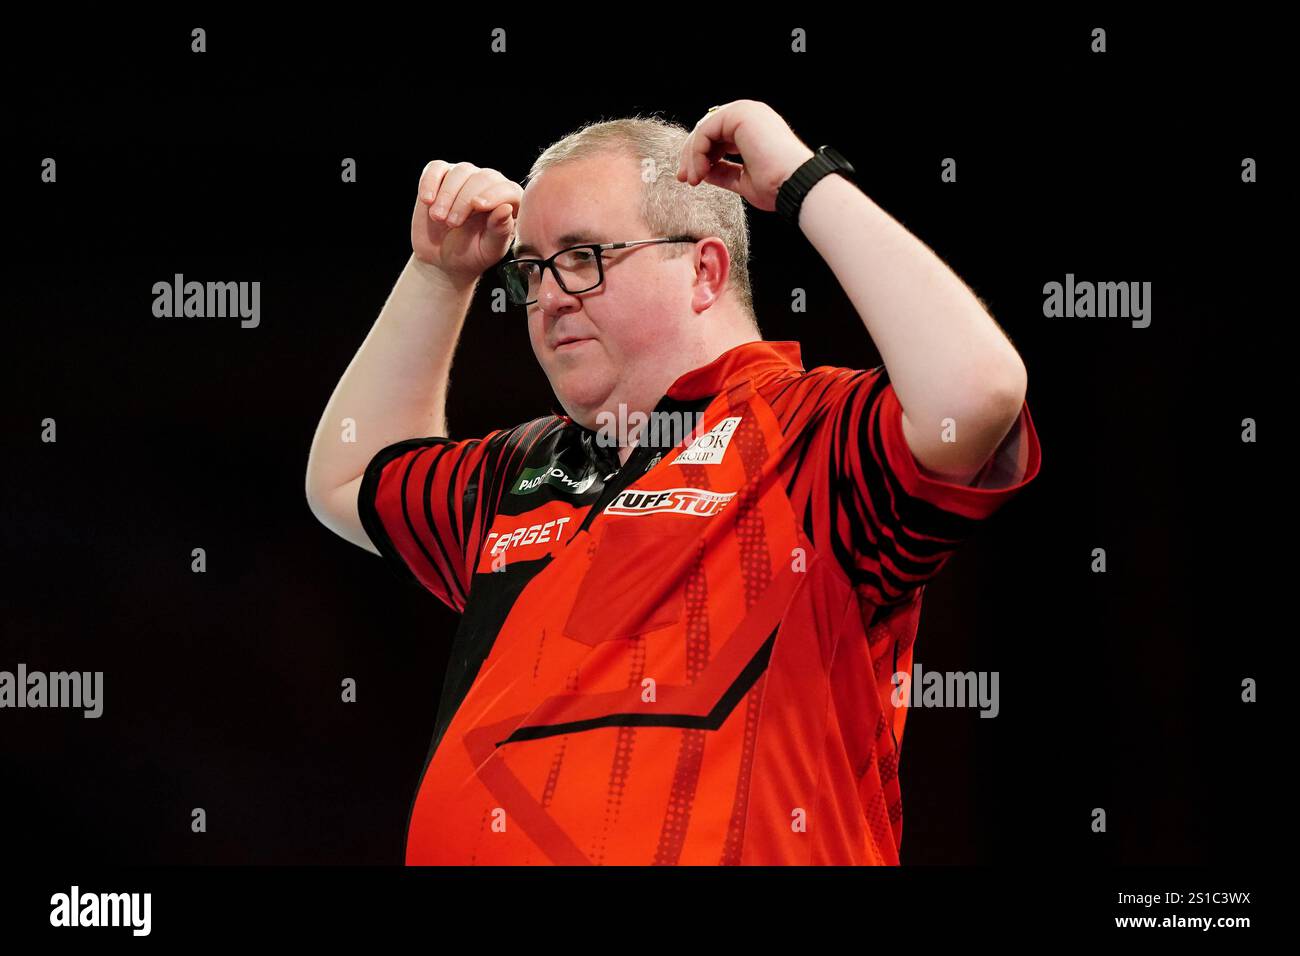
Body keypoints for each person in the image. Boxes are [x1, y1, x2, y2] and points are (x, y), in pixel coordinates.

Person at [305, 101, 1042, 865]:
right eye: (531, 269)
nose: (550, 296)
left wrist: (801, 177)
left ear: (704, 268)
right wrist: (437, 273)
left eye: (586, 255)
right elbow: (348, 477)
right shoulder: (522, 472)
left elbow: (978, 391)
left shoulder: (807, 437)